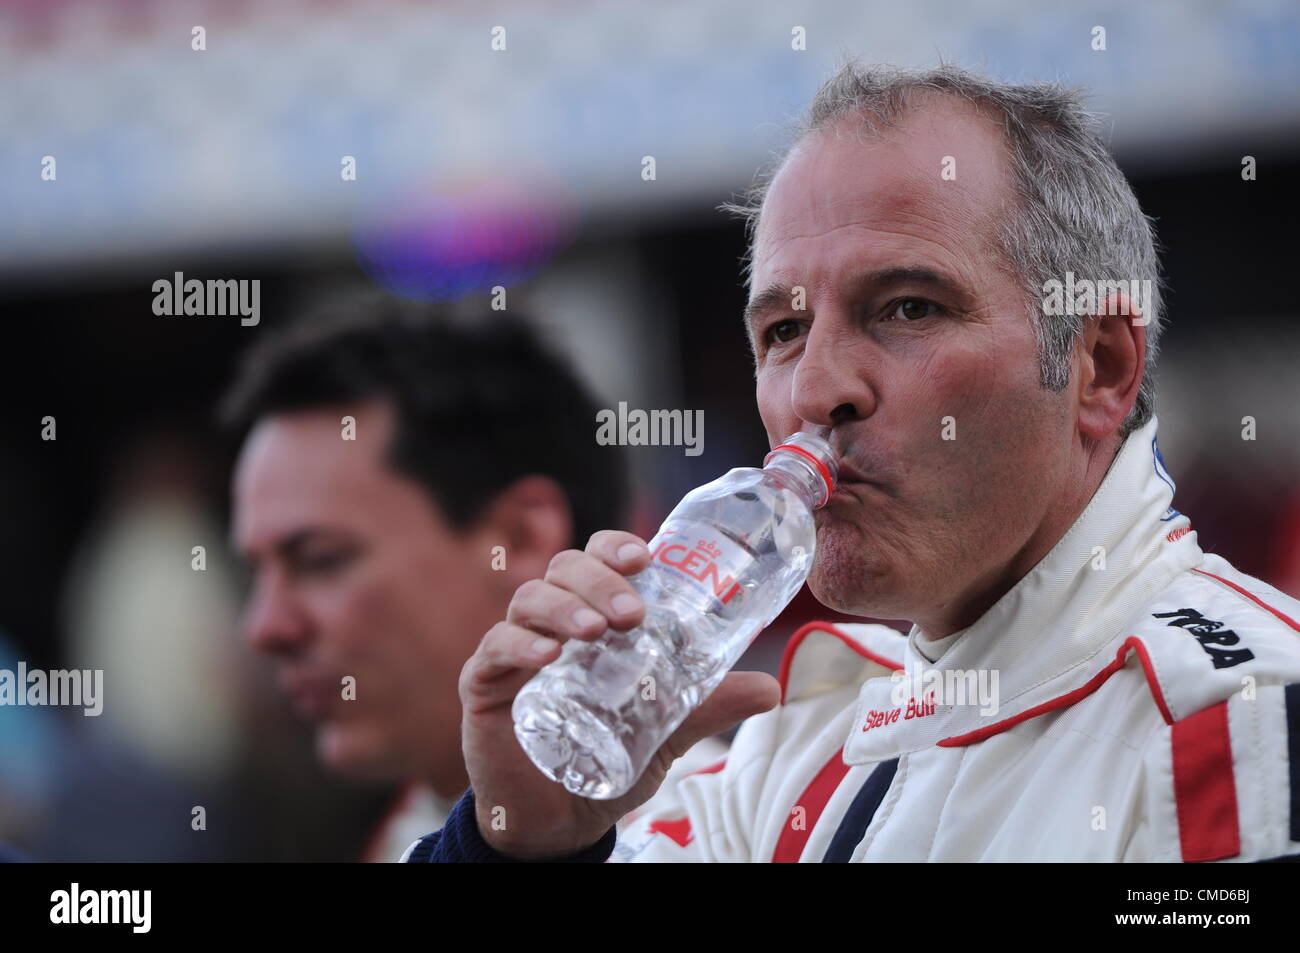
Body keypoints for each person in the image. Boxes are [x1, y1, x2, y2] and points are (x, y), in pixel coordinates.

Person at [405, 63, 1300, 863]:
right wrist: (517, 847)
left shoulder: (1243, 721)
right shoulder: (785, 751)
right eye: (784, 331)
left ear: (1099, 366)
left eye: (908, 307)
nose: (815, 389)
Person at [222, 298, 727, 861]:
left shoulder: (714, 835)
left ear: (516, 537)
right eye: (255, 572)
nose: (265, 627)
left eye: (320, 559)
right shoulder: (416, 824)